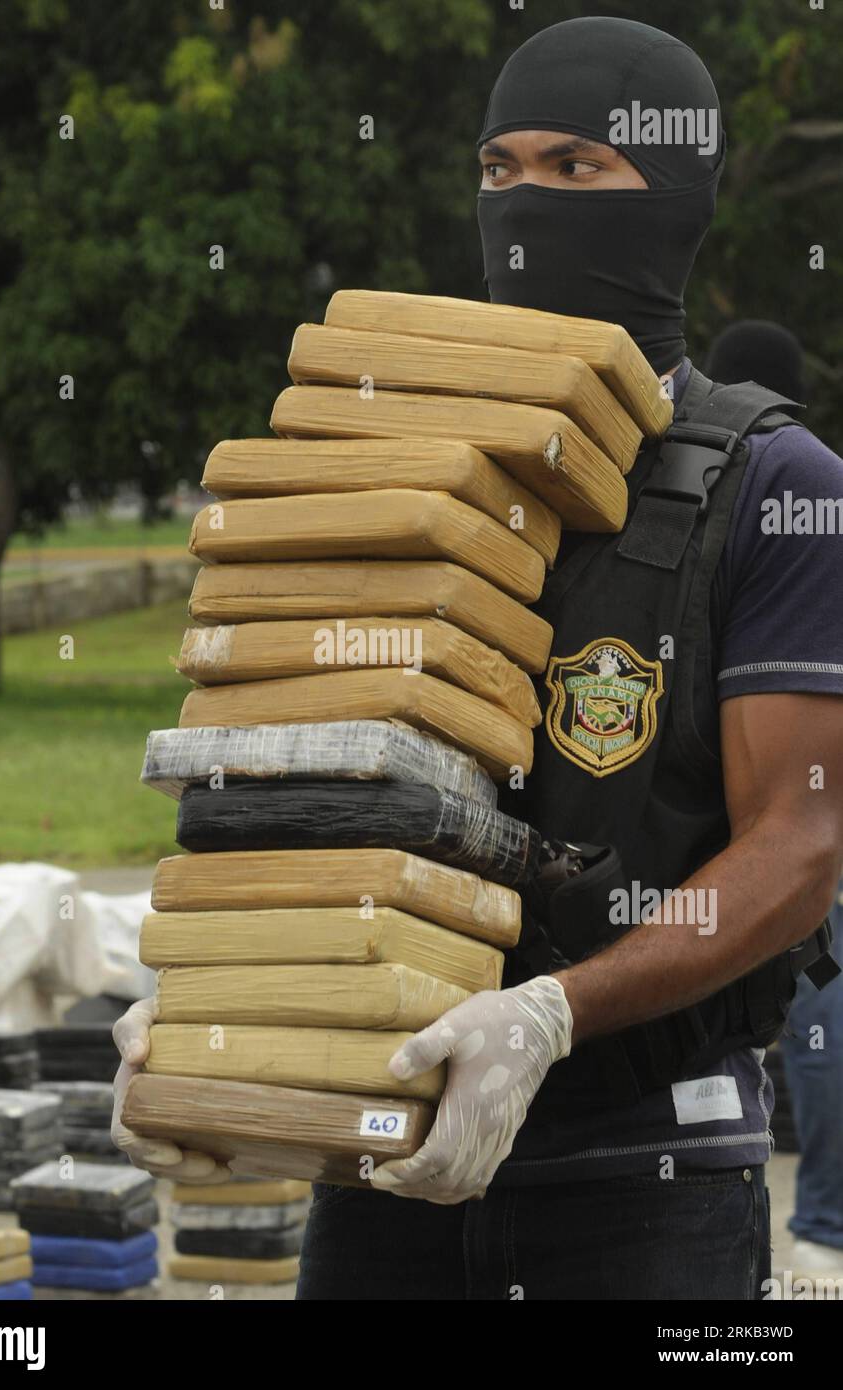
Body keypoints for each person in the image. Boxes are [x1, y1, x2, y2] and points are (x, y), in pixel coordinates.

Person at [111, 17, 843, 1300]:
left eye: (574, 169)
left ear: (672, 193)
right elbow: (298, 754)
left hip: (645, 1170)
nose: (522, 207)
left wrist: (545, 1016)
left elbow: (799, 840)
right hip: (386, 1154)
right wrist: (205, 1000)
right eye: (498, 169)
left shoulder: (772, 488)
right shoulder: (400, 469)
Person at [706, 319, 843, 1284]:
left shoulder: (705, 489)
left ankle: (815, 1226)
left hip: (762, 792)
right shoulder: (821, 480)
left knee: (789, 1010)